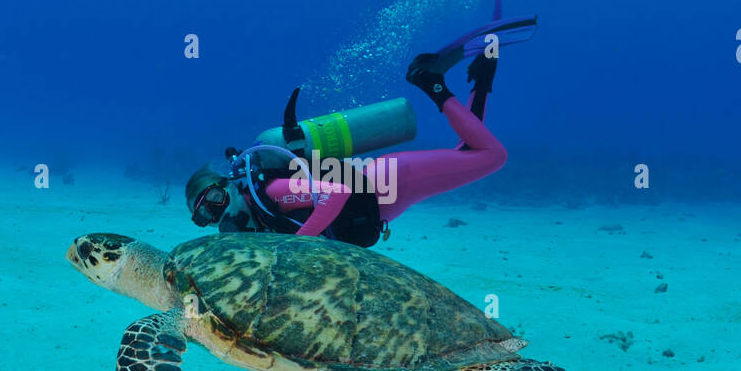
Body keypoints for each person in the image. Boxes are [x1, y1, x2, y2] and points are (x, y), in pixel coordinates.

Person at [184, 48, 507, 247]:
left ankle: (429, 82)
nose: (217, 212)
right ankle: (482, 79)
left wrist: (300, 245)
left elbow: (335, 193)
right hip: (385, 197)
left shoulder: (271, 191)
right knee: (470, 153)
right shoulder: (261, 215)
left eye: (215, 199)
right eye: (205, 215)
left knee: (492, 157)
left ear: (228, 185)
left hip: (390, 182)